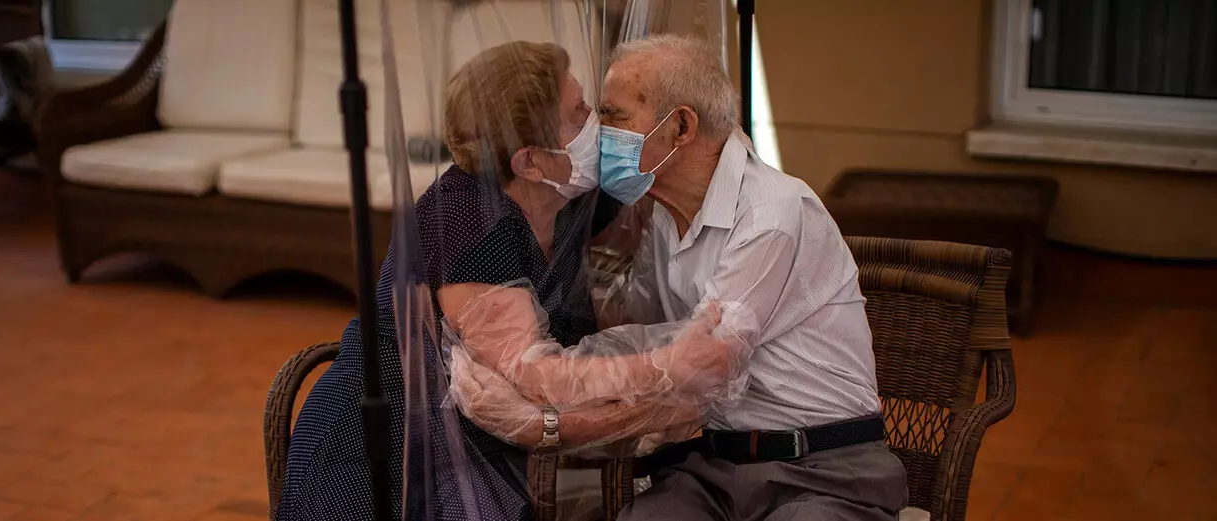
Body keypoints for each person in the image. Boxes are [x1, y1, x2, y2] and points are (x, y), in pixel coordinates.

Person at [275, 41, 737, 521]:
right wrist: (669, 365)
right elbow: (538, 377)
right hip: (391, 452)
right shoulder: (464, 223)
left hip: (489, 452)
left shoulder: (568, 196)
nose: (598, 125)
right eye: (579, 113)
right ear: (530, 163)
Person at [593, 35, 909, 520]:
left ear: (680, 125)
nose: (600, 134)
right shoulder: (662, 215)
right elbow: (635, 329)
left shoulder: (771, 212)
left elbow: (708, 365)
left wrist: (554, 415)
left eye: (614, 117)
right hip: (718, 468)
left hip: (826, 470)